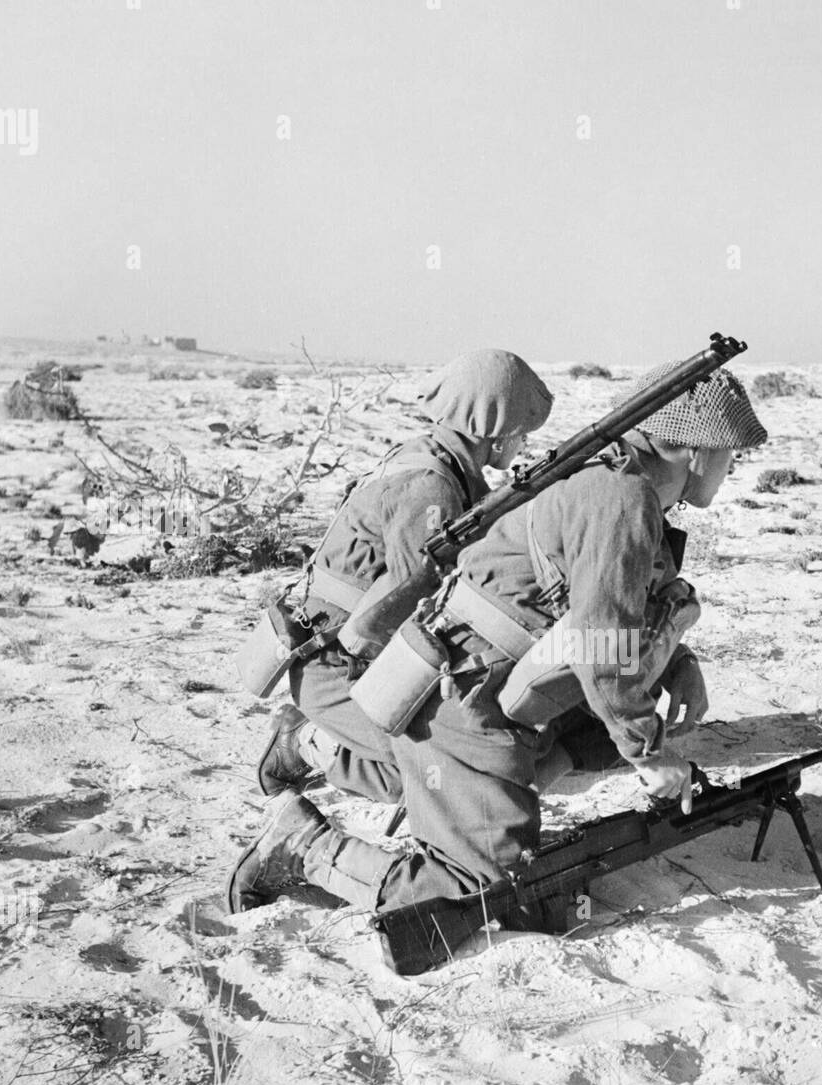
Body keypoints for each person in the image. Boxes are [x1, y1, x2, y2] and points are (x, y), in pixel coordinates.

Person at [228, 362, 767, 922]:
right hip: (459, 699)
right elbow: (602, 646)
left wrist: (676, 661)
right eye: (732, 454)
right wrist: (651, 755)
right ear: (696, 451)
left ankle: (493, 785)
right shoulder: (621, 498)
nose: (731, 469)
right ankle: (300, 847)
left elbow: (612, 611)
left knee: (613, 722)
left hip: (483, 686)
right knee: (486, 892)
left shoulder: (614, 483)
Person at [254, 349, 553, 806]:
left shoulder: (445, 462)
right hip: (334, 664)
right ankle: (304, 743)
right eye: (520, 434)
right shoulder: (431, 489)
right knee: (423, 770)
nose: (523, 445)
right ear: (494, 433)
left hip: (347, 650)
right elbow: (414, 610)